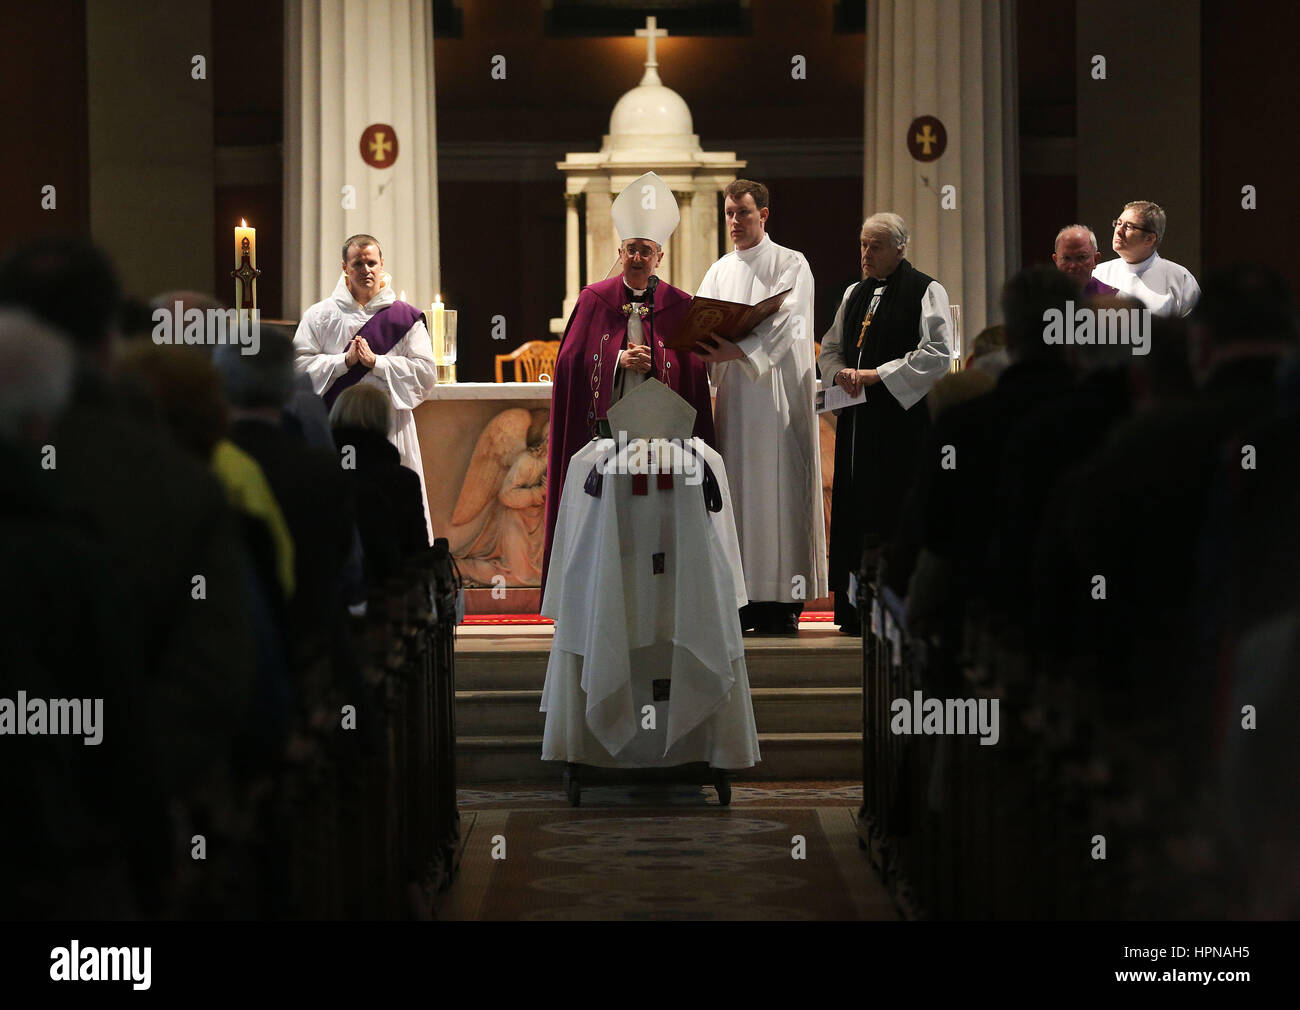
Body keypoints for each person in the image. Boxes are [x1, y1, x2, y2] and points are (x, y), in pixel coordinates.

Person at [544, 172, 716, 586]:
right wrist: (618, 358)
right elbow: (568, 364)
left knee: (657, 523)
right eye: (631, 250)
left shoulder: (681, 305)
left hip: (662, 439)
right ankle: (600, 587)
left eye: (646, 251)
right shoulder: (594, 298)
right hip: (608, 434)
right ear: (620, 252)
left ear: (659, 256)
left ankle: (665, 588)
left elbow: (694, 369)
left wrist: (657, 360)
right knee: (612, 522)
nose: (637, 258)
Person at [694, 179, 827, 635]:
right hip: (734, 401)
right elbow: (701, 321)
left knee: (779, 488)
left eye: (743, 213)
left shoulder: (792, 263)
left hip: (777, 398)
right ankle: (741, 597)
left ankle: (784, 601)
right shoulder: (718, 270)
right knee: (738, 491)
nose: (734, 221)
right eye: (729, 213)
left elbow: (791, 326)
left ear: (764, 214)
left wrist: (735, 352)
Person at [817, 212, 951, 634]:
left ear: (899, 248)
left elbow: (937, 353)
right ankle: (854, 610)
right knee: (855, 507)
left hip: (900, 423)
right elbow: (831, 348)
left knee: (893, 506)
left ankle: (895, 609)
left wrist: (876, 376)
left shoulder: (927, 290)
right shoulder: (854, 293)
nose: (866, 254)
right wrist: (838, 373)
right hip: (857, 425)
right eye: (862, 245)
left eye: (875, 246)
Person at [292, 234, 437, 542]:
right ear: (345, 267)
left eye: (372, 262)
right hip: (336, 423)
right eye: (358, 263)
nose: (366, 269)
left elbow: (426, 373)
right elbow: (297, 369)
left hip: (390, 425)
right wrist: (343, 362)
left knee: (393, 503)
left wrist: (378, 363)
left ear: (382, 264)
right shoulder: (320, 315)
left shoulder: (405, 318)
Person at [329, 383, 431, 583]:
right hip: (388, 597)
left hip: (327, 594)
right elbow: (418, 553)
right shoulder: (403, 481)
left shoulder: (319, 473)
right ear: (385, 421)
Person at [1092, 201, 1200, 317]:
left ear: (1149, 239)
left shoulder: (1180, 279)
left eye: (1128, 227)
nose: (1118, 231)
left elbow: (1194, 328)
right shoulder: (1098, 273)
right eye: (1118, 223)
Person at [1051, 225, 1118, 297]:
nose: (1073, 266)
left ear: (1096, 260)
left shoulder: (1116, 299)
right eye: (1066, 258)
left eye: (1081, 257)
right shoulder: (1041, 298)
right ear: (1056, 260)